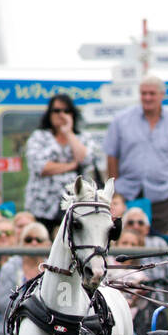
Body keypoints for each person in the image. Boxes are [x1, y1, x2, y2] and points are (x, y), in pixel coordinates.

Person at [105, 76, 168, 237]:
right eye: (143, 93)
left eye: (152, 93)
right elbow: (112, 155)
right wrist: (115, 184)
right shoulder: (121, 120)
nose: (147, 98)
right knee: (124, 240)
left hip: (163, 194)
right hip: (127, 192)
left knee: (159, 243)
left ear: (162, 95)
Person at [24, 94, 101, 235]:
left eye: (66, 111)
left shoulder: (83, 137)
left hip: (76, 208)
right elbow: (41, 167)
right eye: (57, 111)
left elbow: (86, 159)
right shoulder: (38, 137)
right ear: (49, 113)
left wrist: (69, 133)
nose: (61, 115)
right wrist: (72, 165)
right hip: (42, 208)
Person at [0, 222, 50, 335]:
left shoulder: (52, 271)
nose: (33, 243)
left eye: (39, 240)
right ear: (21, 243)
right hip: (12, 330)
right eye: (28, 239)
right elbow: (5, 304)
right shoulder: (9, 267)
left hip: (45, 333)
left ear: (48, 244)